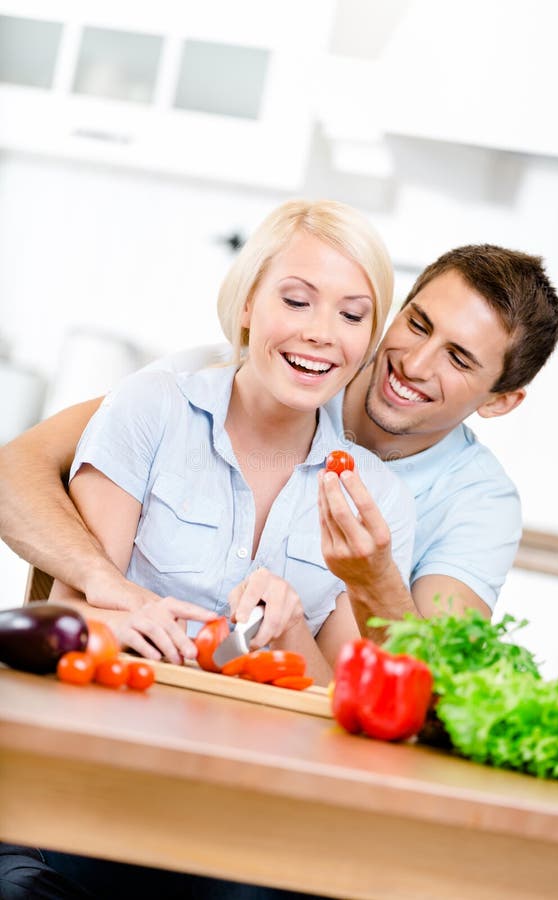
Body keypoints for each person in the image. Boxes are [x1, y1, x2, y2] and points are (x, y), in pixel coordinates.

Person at [0, 242, 558, 634]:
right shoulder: (247, 372)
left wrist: (374, 581)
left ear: (499, 401)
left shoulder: (478, 503)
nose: (413, 364)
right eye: (416, 324)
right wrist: (103, 583)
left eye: (458, 359)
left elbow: (439, 694)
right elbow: (16, 470)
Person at [40, 198, 414, 683]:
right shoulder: (151, 409)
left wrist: (291, 629)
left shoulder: (379, 500)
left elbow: (334, 706)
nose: (322, 333)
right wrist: (130, 624)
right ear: (247, 302)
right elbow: (66, 617)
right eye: (297, 301)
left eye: (352, 315)